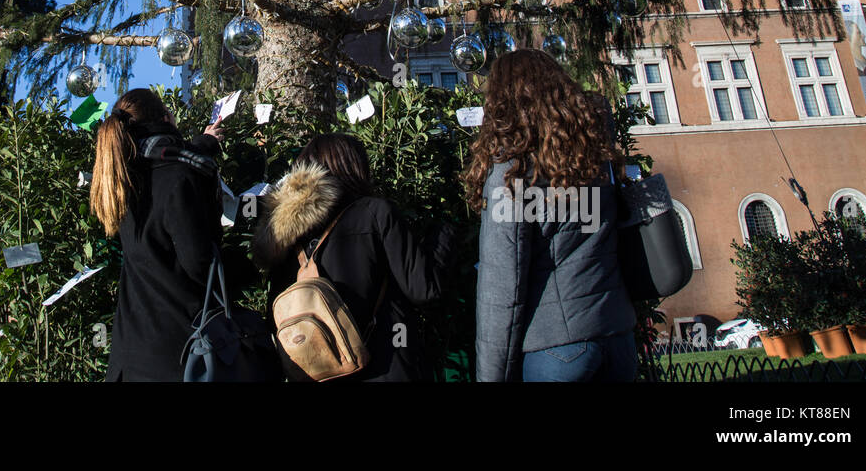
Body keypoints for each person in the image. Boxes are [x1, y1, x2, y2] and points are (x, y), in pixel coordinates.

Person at [465, 48, 637, 382]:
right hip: (617, 336)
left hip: (557, 348)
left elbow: (501, 286)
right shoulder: (595, 161)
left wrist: (491, 375)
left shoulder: (512, 176)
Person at [252, 133, 455, 381]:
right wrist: (443, 233)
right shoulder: (376, 213)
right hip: (385, 367)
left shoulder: (282, 234)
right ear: (354, 167)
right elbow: (424, 289)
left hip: (314, 373)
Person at [91, 87, 225, 381]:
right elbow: (199, 263)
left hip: (129, 356)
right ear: (166, 117)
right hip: (175, 352)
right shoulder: (180, 178)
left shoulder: (121, 182)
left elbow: (167, 164)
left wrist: (202, 144)